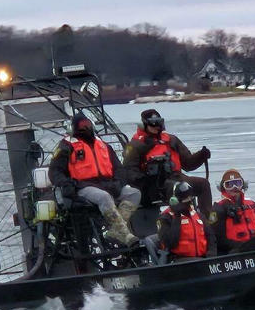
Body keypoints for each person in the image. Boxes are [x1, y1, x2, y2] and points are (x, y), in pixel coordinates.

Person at [49, 113, 141, 245]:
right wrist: (66, 184)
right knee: (104, 197)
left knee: (134, 193)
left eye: (87, 125)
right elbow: (55, 171)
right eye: (81, 126)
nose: (85, 128)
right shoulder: (66, 146)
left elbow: (119, 168)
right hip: (82, 186)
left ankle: (115, 231)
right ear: (73, 128)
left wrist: (119, 183)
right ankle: (124, 234)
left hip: (108, 184)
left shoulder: (103, 145)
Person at [123, 108, 212, 215]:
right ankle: (179, 222)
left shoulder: (171, 140)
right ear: (144, 125)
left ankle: (206, 221)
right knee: (178, 188)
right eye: (153, 125)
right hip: (152, 185)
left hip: (176, 177)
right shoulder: (136, 145)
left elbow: (188, 164)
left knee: (203, 184)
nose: (156, 127)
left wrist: (201, 156)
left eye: (158, 124)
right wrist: (146, 178)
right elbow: (129, 172)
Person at [145, 181, 216, 263]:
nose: (189, 201)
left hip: (203, 259)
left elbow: (211, 237)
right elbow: (170, 243)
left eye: (190, 198)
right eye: (186, 198)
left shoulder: (199, 216)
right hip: (180, 260)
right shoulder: (165, 218)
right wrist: (177, 216)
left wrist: (211, 255)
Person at [209, 168, 255, 254]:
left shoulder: (252, 205)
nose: (234, 188)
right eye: (229, 184)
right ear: (223, 187)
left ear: (242, 185)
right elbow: (216, 238)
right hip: (235, 252)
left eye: (237, 183)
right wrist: (242, 246)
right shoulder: (217, 209)